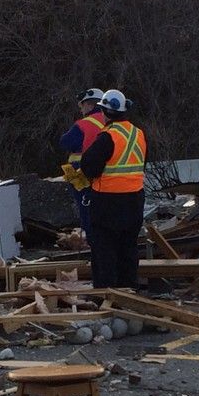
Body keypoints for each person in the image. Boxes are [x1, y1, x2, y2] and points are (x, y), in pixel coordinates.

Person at [79, 89, 147, 288]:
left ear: (105, 112)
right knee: (128, 248)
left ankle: (106, 295)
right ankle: (129, 291)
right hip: (134, 201)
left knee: (104, 251)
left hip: (107, 202)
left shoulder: (108, 137)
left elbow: (89, 165)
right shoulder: (138, 134)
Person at [59, 88, 106, 237]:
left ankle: (95, 246)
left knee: (88, 212)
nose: (81, 110)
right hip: (109, 176)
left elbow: (65, 142)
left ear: (89, 105)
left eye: (81, 106)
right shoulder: (112, 121)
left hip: (84, 174)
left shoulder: (85, 123)